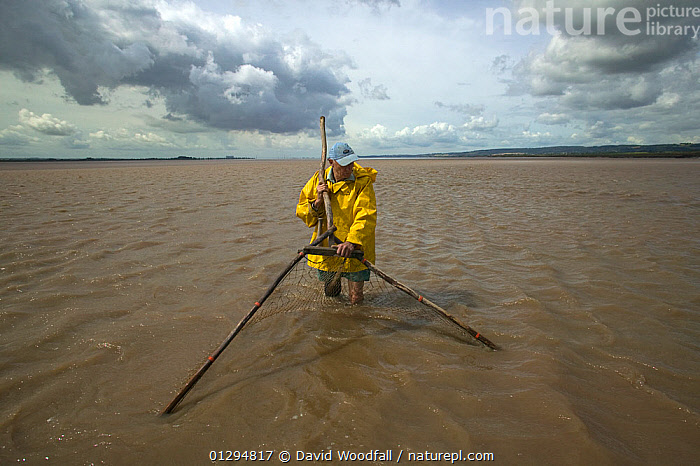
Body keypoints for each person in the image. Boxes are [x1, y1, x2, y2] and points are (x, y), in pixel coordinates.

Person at [296, 142, 377, 305]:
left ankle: (355, 325)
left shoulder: (362, 182)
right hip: (328, 245)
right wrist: (317, 202)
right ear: (331, 162)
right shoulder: (318, 180)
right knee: (331, 293)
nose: (349, 169)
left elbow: (366, 214)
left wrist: (352, 241)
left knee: (356, 297)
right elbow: (304, 213)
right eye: (344, 164)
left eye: (351, 163)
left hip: (355, 246)